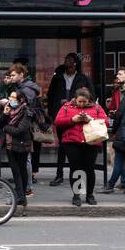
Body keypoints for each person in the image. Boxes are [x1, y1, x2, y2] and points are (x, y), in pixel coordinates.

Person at [54, 86, 109, 207]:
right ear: (75, 99)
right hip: (72, 142)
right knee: (76, 168)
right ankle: (77, 195)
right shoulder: (67, 107)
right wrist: (72, 119)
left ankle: (90, 195)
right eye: (80, 102)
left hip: (91, 142)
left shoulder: (96, 107)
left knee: (89, 169)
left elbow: (106, 122)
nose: (82, 104)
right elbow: (57, 122)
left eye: (85, 102)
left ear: (89, 100)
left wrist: (91, 119)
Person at [47, 53, 93, 186]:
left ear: (75, 63)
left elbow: (90, 96)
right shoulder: (59, 76)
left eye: (69, 60)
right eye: (65, 59)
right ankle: (59, 175)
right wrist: (52, 112)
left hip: (79, 114)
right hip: (61, 113)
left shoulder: (82, 78)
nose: (66, 62)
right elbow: (51, 94)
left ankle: (80, 176)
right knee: (62, 145)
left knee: (78, 146)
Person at [4, 62, 42, 191]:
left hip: (24, 126)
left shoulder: (26, 89)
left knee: (25, 158)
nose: (12, 77)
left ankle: (27, 187)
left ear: (21, 74)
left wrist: (9, 103)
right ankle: (23, 185)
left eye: (14, 75)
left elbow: (27, 107)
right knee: (23, 158)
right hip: (21, 125)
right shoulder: (20, 86)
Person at [100, 71, 125, 194]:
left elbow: (120, 114)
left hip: (124, 132)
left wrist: (115, 128)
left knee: (119, 160)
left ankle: (110, 185)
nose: (124, 84)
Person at [0, 88, 34, 212]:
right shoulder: (9, 109)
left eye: (13, 98)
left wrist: (5, 128)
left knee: (21, 170)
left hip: (22, 145)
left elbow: (20, 130)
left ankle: (20, 196)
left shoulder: (26, 111)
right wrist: (5, 114)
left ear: (21, 99)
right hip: (10, 145)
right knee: (16, 171)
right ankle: (21, 196)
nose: (10, 100)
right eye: (10, 97)